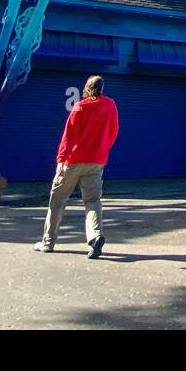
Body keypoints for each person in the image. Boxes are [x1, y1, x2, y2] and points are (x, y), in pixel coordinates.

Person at [35, 75, 119, 258]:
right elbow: (113, 132)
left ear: (87, 88)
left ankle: (48, 243)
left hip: (73, 161)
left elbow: (68, 137)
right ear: (102, 88)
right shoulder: (110, 105)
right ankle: (95, 236)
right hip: (97, 161)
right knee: (93, 201)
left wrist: (61, 160)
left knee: (57, 201)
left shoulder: (80, 107)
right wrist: (102, 150)